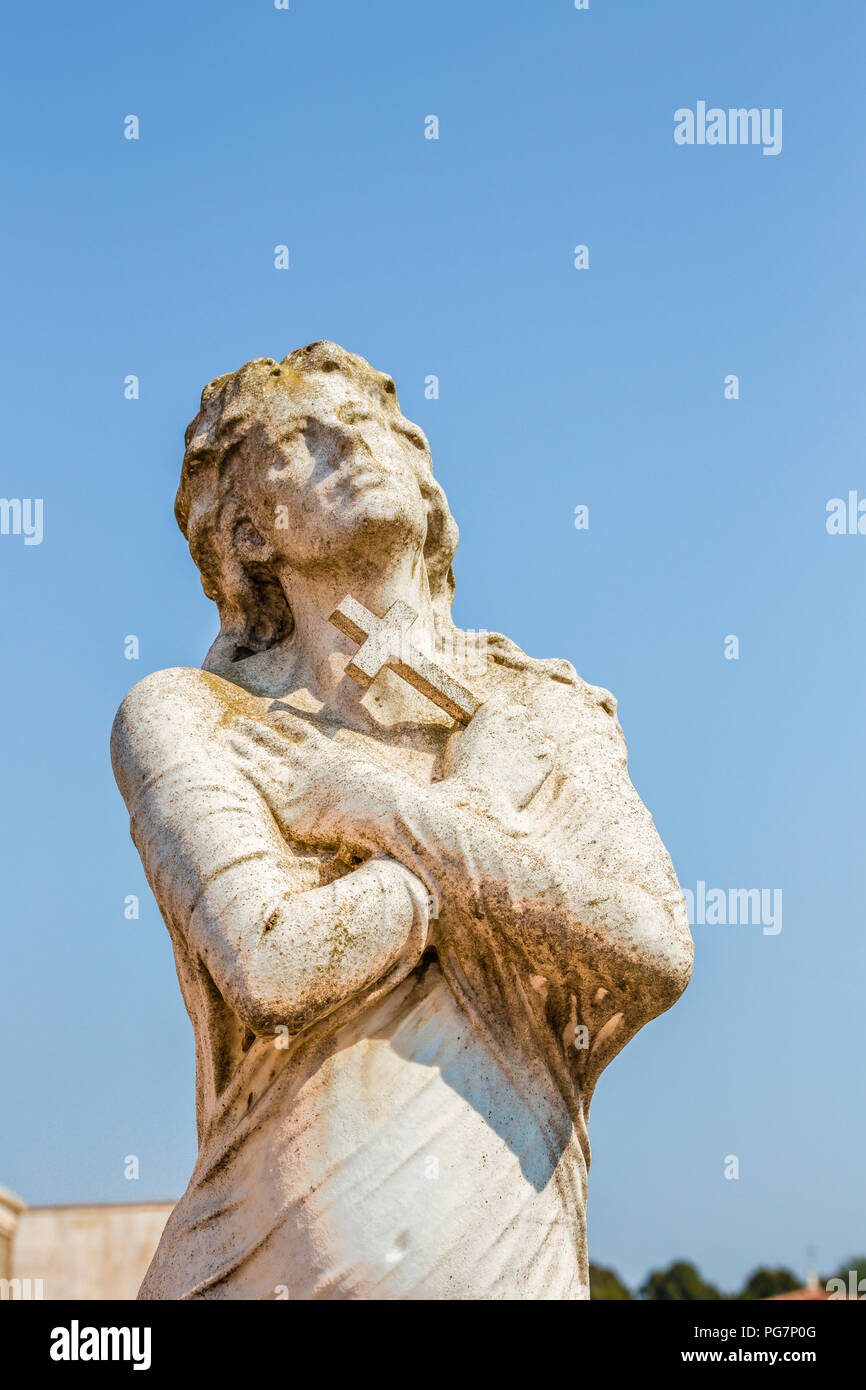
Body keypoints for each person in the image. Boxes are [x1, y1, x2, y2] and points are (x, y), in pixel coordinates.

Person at [111, 341, 692, 1300]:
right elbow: (274, 964)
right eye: (304, 439)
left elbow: (654, 950)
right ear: (252, 533)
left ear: (422, 479)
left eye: (378, 425)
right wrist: (463, 853)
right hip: (260, 1261)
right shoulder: (191, 716)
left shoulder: (542, 711)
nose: (356, 443)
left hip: (508, 1257)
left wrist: (377, 809)